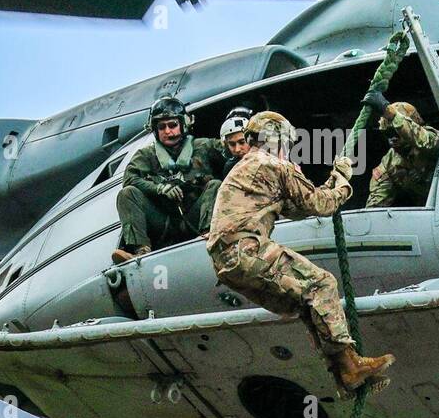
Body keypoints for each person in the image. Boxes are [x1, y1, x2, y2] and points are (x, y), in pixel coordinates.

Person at [206, 111, 395, 394]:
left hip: (227, 261)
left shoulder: (249, 166)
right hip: (245, 249)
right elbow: (320, 205)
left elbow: (296, 208)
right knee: (321, 284)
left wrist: (331, 184)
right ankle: (350, 365)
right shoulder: (272, 164)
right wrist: (343, 178)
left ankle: (344, 374)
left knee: (308, 303)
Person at [113, 96, 227, 263]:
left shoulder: (204, 147)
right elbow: (130, 179)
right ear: (155, 130)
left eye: (172, 125)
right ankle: (140, 251)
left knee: (215, 185)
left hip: (196, 216)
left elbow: (234, 150)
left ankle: (209, 234)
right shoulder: (145, 156)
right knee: (127, 194)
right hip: (164, 224)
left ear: (183, 124)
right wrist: (159, 189)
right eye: (162, 127)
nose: (168, 131)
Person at [361, 91, 439, 208]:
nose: (392, 138)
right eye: (388, 133)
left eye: (396, 132)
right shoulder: (389, 163)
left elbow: (422, 139)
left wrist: (391, 113)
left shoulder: (433, 138)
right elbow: (375, 205)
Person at [218, 106, 253, 178]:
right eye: (232, 144)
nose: (237, 149)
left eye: (242, 142)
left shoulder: (270, 155)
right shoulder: (230, 168)